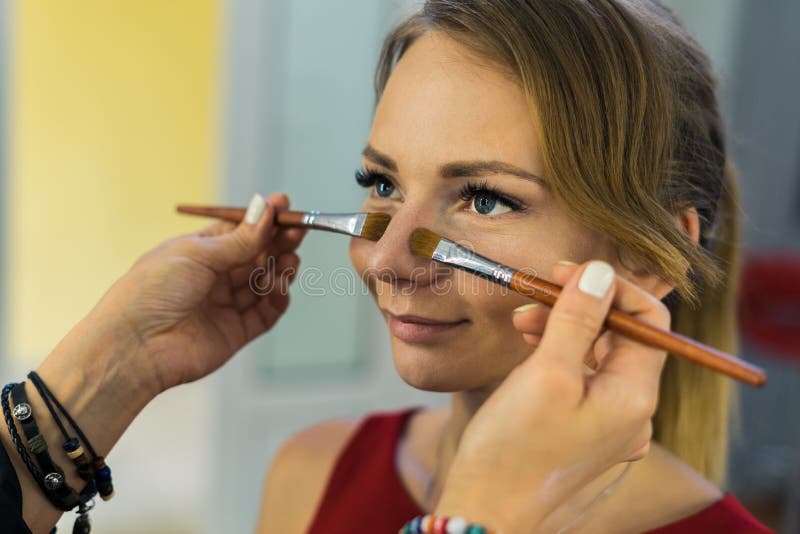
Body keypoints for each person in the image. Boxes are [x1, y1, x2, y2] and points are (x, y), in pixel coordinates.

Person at [0, 2, 772, 534]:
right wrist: (117, 363)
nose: (387, 258)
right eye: (382, 185)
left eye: (485, 198)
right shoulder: (315, 470)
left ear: (646, 254)